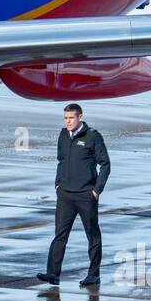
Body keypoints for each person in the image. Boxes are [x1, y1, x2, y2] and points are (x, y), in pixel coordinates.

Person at [37, 103, 110, 288]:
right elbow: (60, 161)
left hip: (86, 195)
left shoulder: (93, 136)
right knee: (59, 235)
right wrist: (57, 184)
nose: (68, 121)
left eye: (71, 118)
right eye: (65, 118)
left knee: (92, 236)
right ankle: (53, 273)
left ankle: (93, 275)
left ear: (80, 117)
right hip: (65, 195)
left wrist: (96, 190)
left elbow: (105, 164)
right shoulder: (63, 136)